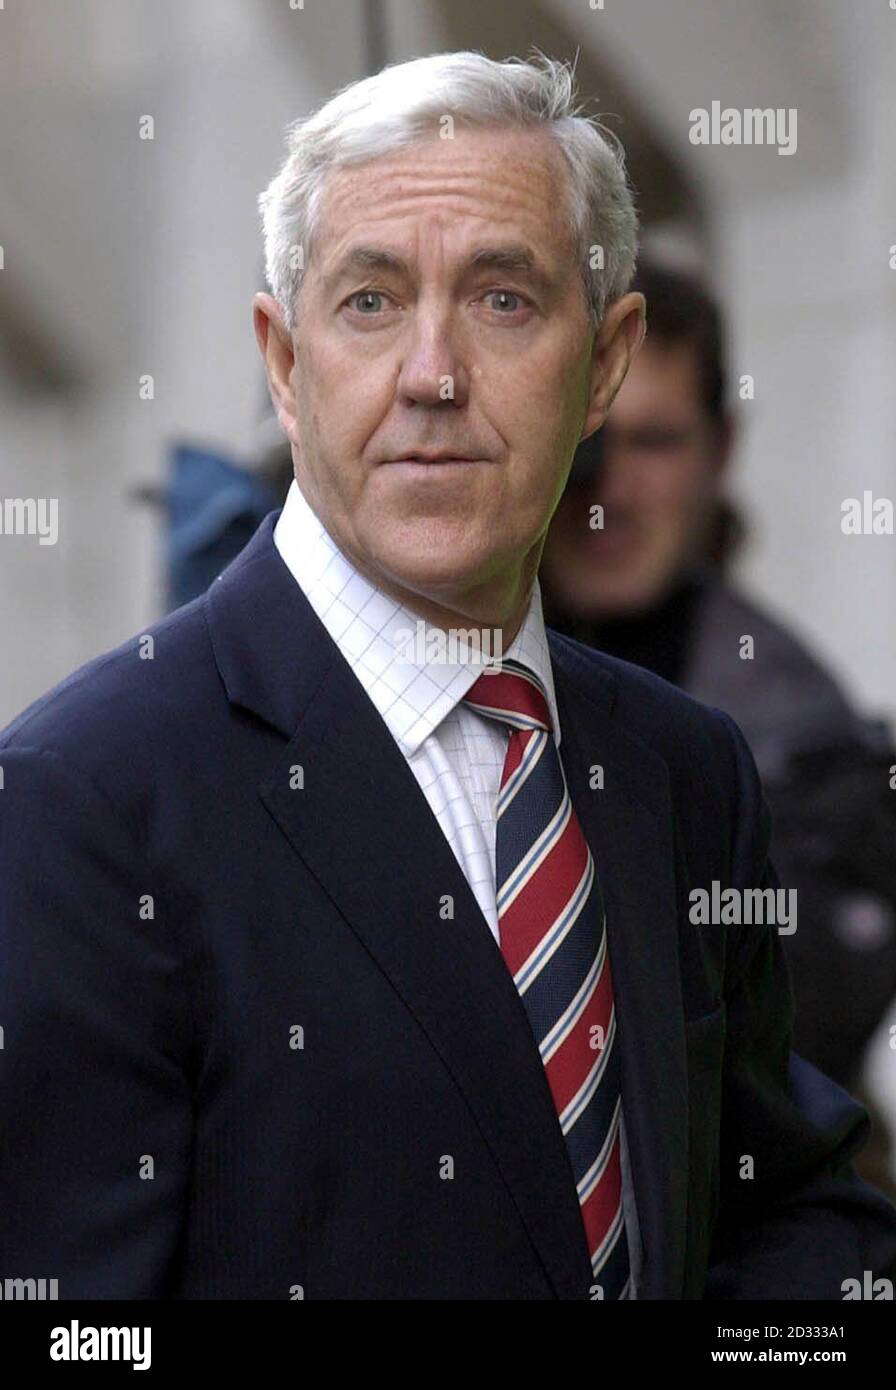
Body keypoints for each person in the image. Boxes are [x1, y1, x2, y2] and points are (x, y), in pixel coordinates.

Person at [1, 52, 895, 1301]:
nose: (431, 373)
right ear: (281, 360)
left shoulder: (682, 767)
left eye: (503, 299)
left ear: (606, 359)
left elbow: (778, 1207)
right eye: (368, 302)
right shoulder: (83, 797)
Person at [540, 260, 896, 1196]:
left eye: (656, 441)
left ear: (722, 448)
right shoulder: (440, 652)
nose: (608, 487)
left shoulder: (797, 742)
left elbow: (776, 1072)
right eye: (585, 439)